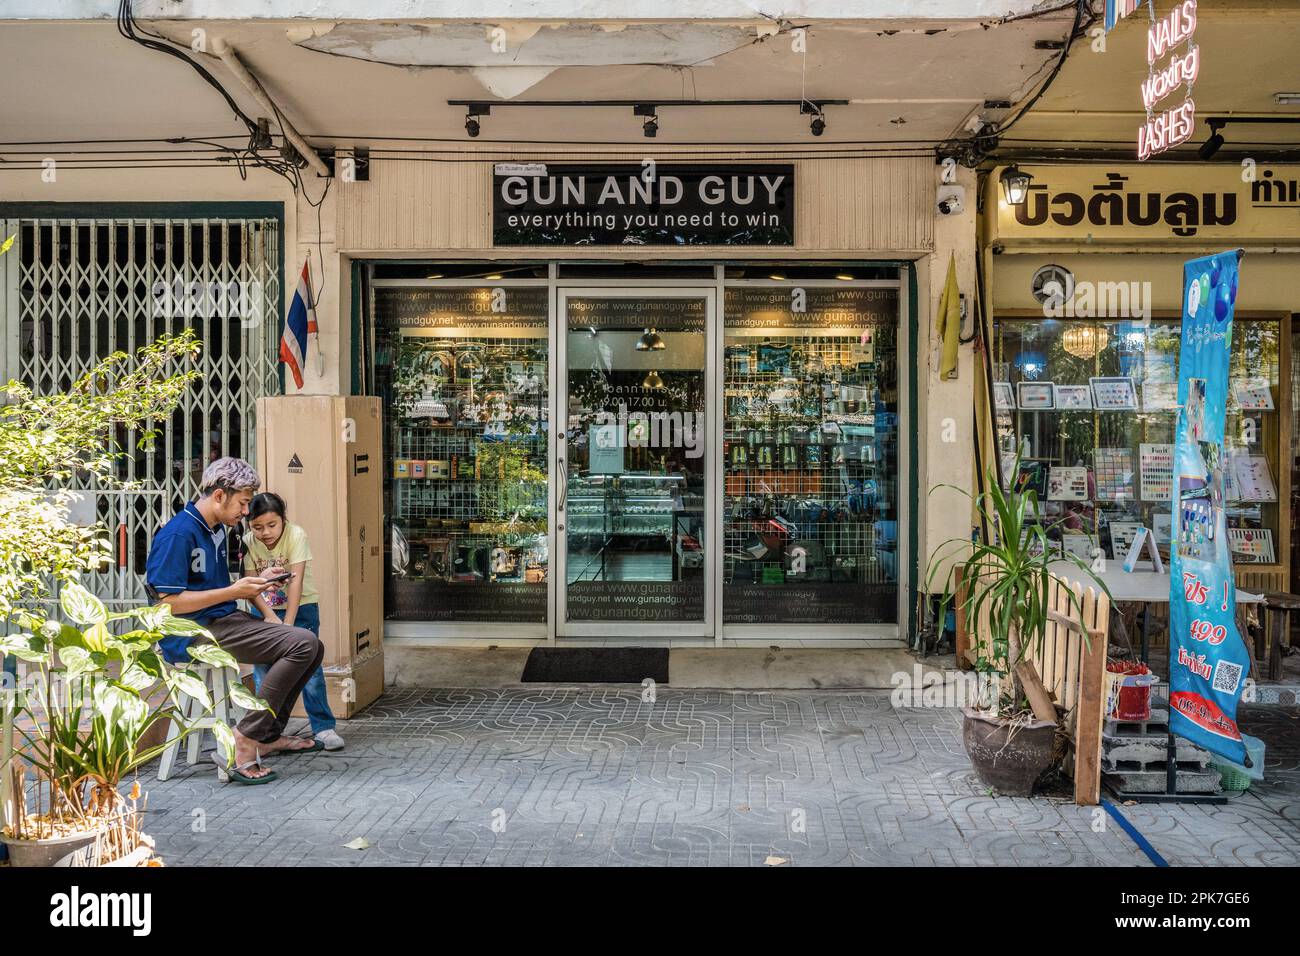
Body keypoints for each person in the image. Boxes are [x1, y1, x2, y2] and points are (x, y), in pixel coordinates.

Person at [145, 457, 325, 784]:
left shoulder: (215, 531)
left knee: (312, 646)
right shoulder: (179, 534)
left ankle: (266, 735)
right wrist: (232, 592)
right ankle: (244, 736)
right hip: (189, 634)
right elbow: (167, 603)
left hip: (221, 621)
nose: (246, 511)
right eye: (242, 503)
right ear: (219, 495)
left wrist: (257, 582)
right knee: (302, 644)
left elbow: (219, 589)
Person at [243, 492, 344, 751]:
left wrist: (287, 624)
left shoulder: (296, 535)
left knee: (311, 670)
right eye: (257, 527)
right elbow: (251, 585)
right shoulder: (246, 543)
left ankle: (323, 727)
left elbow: (296, 581)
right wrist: (269, 617)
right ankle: (263, 733)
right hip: (264, 610)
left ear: (283, 520)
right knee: (263, 672)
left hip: (302, 609)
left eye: (272, 525)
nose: (265, 532)